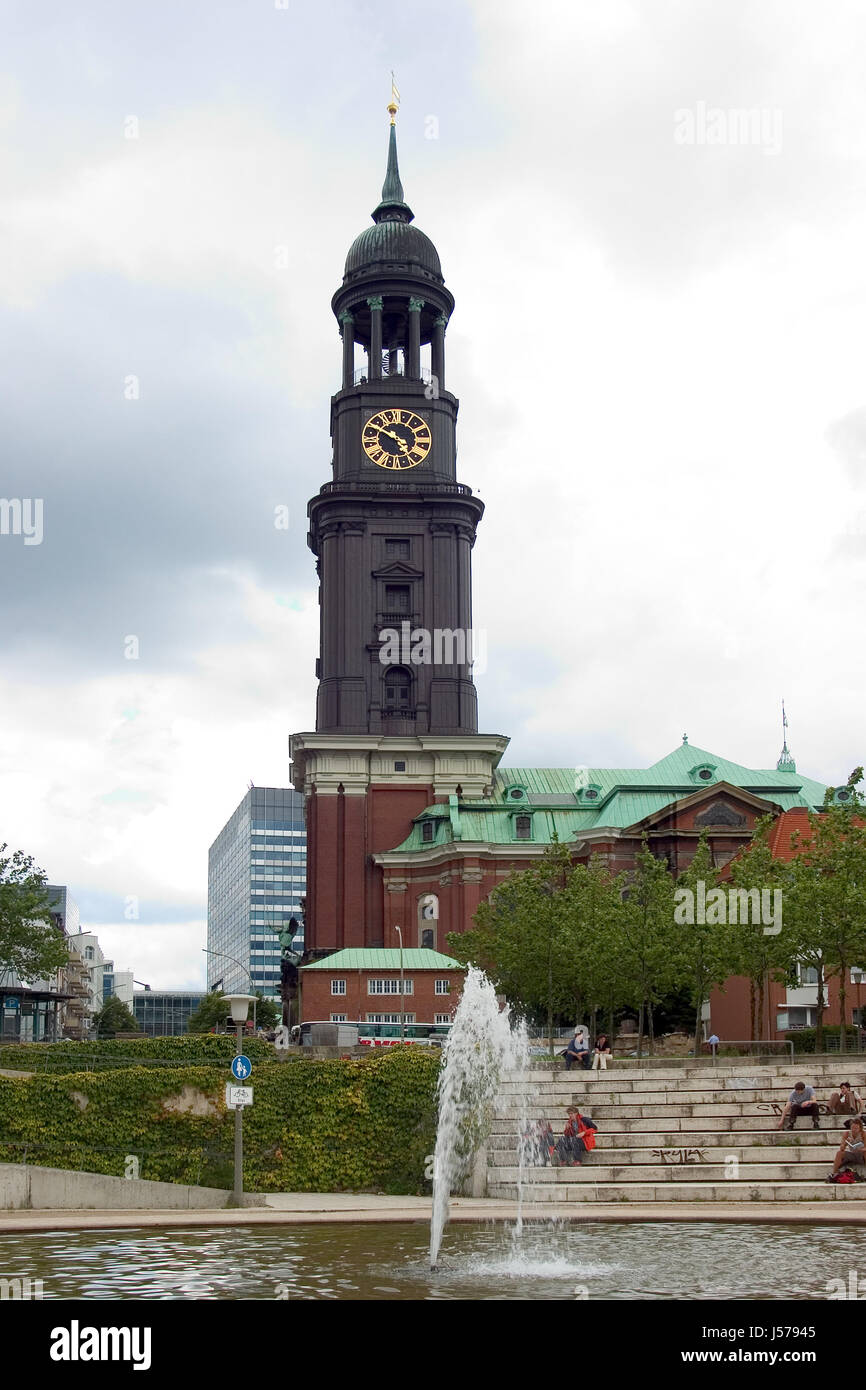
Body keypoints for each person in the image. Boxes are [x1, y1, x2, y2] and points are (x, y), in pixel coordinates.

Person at [826, 1117, 866, 1181]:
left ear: (860, 1128)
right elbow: (842, 1148)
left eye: (856, 1128)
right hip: (852, 1154)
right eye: (852, 1128)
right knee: (839, 1153)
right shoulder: (847, 1134)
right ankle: (835, 1173)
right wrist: (845, 1142)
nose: (854, 1130)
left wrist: (861, 1149)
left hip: (861, 1155)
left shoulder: (863, 1134)